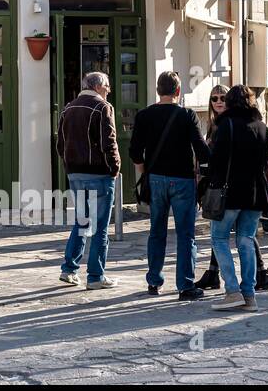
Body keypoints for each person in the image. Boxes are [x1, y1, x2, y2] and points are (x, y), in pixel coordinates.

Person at [130, 71, 209, 300]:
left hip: (156, 179)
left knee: (157, 231)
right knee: (186, 234)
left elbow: (134, 150)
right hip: (183, 179)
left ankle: (154, 280)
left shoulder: (144, 115)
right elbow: (201, 149)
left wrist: (144, 170)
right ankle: (185, 285)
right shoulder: (187, 115)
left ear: (158, 90)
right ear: (178, 91)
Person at [195, 85, 268, 292]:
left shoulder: (226, 125)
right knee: (246, 239)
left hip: (230, 191)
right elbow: (265, 162)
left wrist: (209, 182)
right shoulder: (262, 127)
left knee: (219, 238)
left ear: (229, 103)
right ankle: (249, 291)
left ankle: (232, 289)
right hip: (255, 192)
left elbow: (217, 162)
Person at [56, 72, 120, 290]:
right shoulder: (102, 107)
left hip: (75, 173)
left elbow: (60, 143)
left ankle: (69, 269)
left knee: (82, 222)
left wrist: (69, 166)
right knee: (100, 227)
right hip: (98, 173)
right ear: (99, 86)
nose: (109, 90)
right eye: (108, 86)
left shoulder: (68, 108)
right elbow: (108, 142)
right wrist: (115, 168)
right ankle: (95, 276)